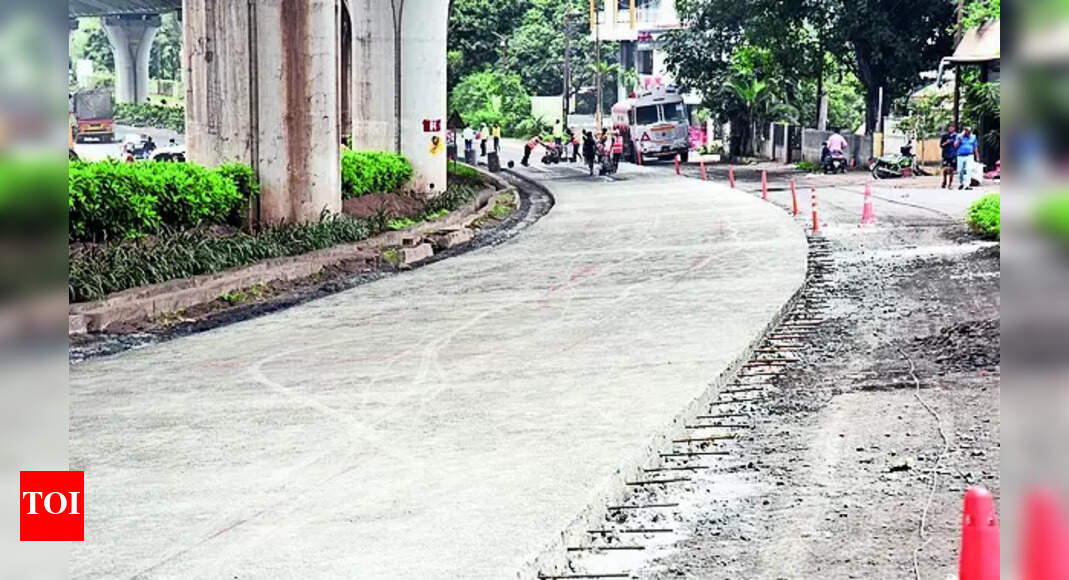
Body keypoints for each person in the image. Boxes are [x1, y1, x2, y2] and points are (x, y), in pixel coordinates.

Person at [939, 123, 958, 189]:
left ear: (954, 128)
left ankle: (950, 184)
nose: (951, 129)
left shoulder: (956, 136)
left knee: (951, 170)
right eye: (950, 127)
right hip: (946, 154)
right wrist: (946, 142)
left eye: (952, 127)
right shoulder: (945, 136)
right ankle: (944, 181)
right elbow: (941, 145)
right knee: (945, 169)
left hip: (953, 154)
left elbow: (958, 145)